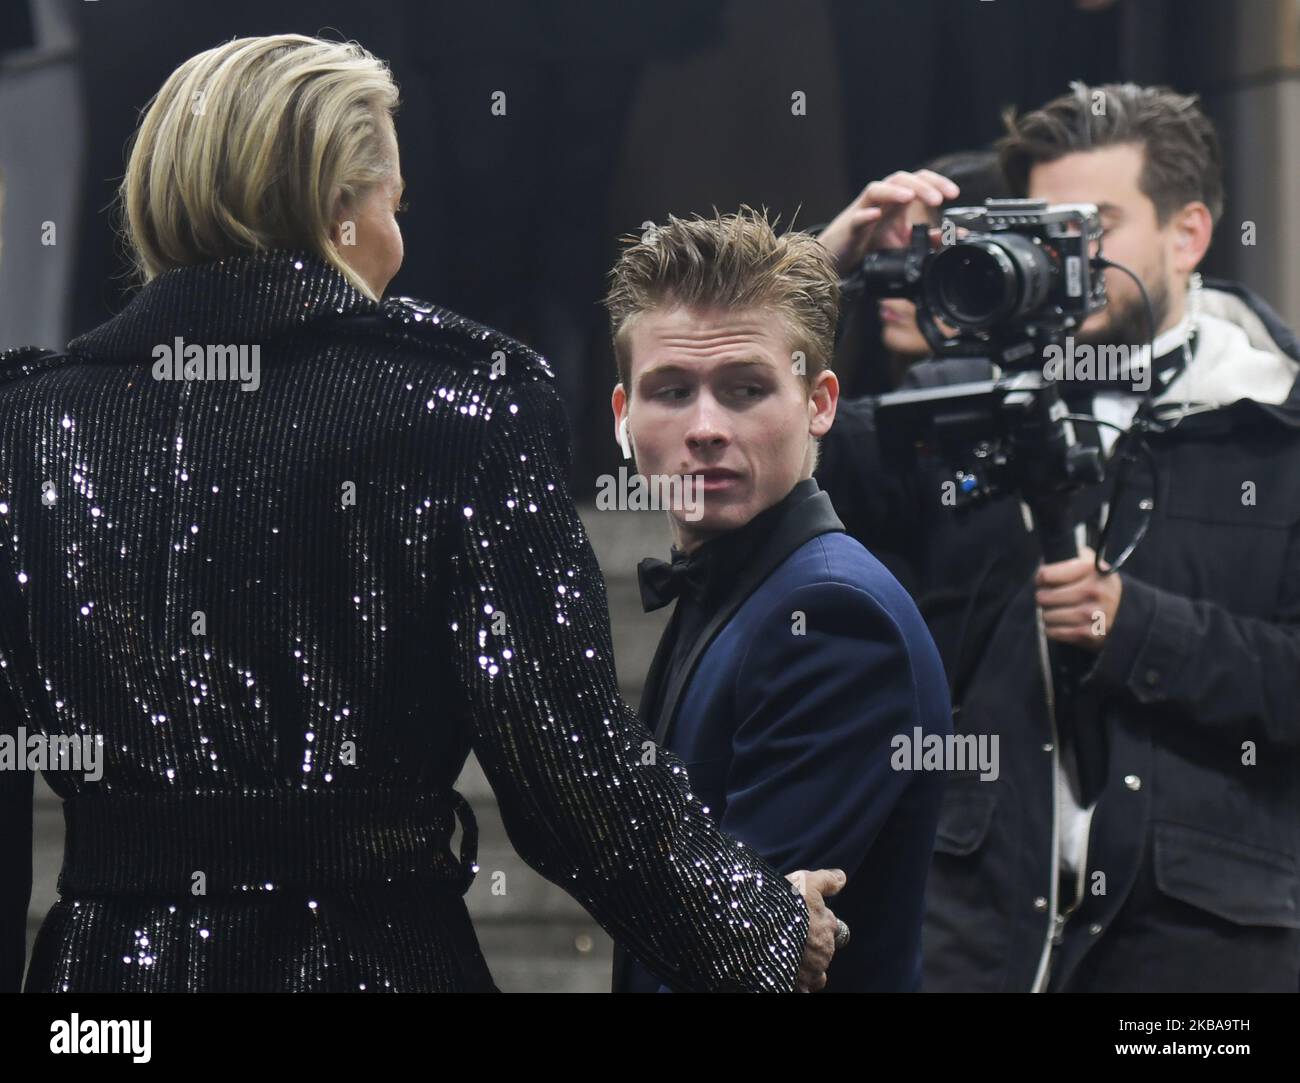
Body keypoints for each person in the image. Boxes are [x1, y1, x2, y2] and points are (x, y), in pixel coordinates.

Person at [0, 33, 846, 994]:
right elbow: (563, 767)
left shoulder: (27, 426)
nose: (401, 241)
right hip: (373, 959)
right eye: (394, 205)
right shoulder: (461, 400)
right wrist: (763, 929)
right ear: (339, 209)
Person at [815, 82, 1300, 992]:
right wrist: (817, 276)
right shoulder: (950, 409)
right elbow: (740, 457)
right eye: (1042, 227)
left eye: (1094, 226)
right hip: (970, 935)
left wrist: (1142, 629)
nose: (1062, 256)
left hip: (1207, 962)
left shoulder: (1278, 425)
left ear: (1188, 234)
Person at [604, 209, 951, 993]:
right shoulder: (739, 584)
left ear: (819, 403)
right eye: (671, 391)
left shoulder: (831, 616)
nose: (705, 428)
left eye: (746, 389)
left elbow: (725, 972)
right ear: (623, 418)